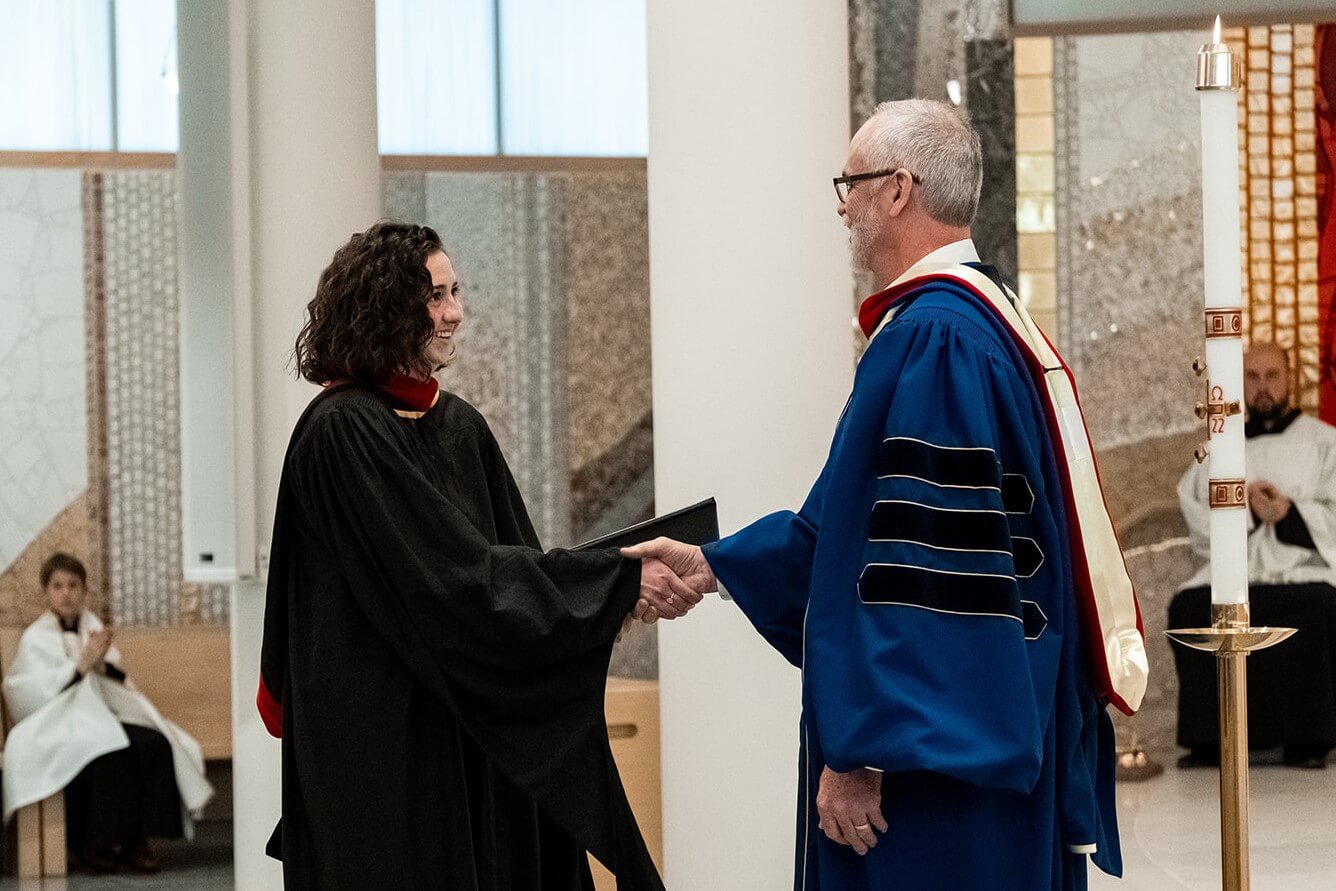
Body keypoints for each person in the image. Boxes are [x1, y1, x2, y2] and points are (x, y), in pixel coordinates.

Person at [626, 99, 1147, 890]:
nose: (843, 205)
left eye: (852, 182)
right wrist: (711, 564)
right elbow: (856, 533)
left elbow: (921, 579)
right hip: (974, 739)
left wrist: (864, 747)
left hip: (929, 781)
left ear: (898, 189)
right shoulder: (984, 322)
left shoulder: (935, 338)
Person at [258, 222, 666, 890]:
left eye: (455, 292)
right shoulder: (342, 430)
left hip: (466, 729)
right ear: (385, 304)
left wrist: (601, 600)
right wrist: (610, 583)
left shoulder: (460, 427)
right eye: (434, 296)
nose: (453, 312)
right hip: (384, 744)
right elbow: (450, 582)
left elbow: (512, 568)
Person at [1171, 342, 1336, 769]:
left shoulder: (1322, 441)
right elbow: (1194, 507)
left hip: (1301, 569)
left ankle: (1309, 739)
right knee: (1189, 606)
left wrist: (1290, 513)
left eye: (1272, 375)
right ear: (1239, 382)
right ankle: (1210, 739)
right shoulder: (1218, 445)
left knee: (1317, 607)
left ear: (1290, 379)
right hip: (1234, 571)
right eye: (1252, 376)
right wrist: (1244, 508)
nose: (1262, 387)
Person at [2, 553, 213, 873]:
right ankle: (93, 842)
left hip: (99, 713)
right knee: (110, 748)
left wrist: (100, 663)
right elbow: (26, 692)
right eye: (57, 586)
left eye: (73, 585)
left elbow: (117, 679)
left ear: (85, 590)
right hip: (58, 720)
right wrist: (79, 665)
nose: (66, 593)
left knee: (152, 743)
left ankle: (136, 841)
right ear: (46, 593)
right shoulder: (37, 636)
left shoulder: (93, 626)